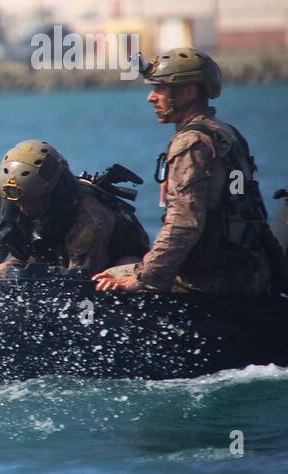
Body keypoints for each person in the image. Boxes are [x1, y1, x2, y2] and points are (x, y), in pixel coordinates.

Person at [93, 49, 282, 297]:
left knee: (101, 279)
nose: (151, 97)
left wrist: (144, 279)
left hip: (210, 279)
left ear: (189, 92)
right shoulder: (226, 134)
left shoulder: (190, 143)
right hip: (248, 267)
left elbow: (184, 223)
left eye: (159, 88)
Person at [0, 140, 147, 283]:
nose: (23, 208)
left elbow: (83, 275)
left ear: (50, 192)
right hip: (48, 262)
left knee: (113, 276)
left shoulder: (88, 214)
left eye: (31, 201)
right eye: (18, 203)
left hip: (106, 268)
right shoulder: (6, 195)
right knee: (1, 275)